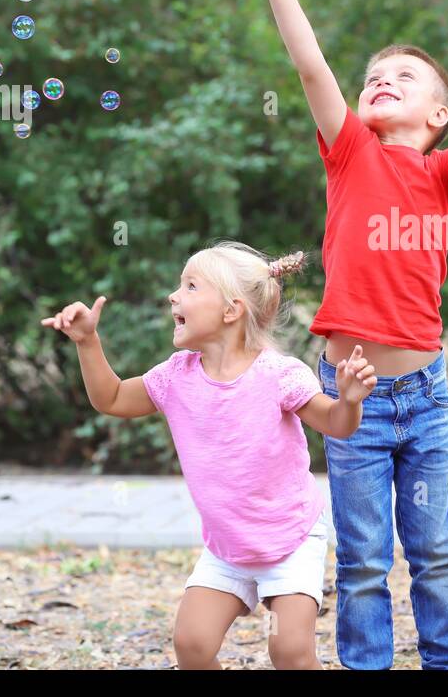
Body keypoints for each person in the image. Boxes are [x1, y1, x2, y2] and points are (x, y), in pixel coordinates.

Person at [253, 0, 448, 668]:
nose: (382, 80)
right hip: (349, 397)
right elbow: (312, 71)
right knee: (361, 561)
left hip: (424, 393)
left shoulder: (441, 176)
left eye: (406, 76)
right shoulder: (350, 151)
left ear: (438, 117)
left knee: (435, 549)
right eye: (375, 76)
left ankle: (446, 662)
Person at [41, 242, 377, 669]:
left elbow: (338, 425)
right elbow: (111, 398)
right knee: (192, 645)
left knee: (289, 651)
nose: (173, 296)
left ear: (231, 311)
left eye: (190, 286)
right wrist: (88, 341)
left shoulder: (279, 374)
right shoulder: (175, 377)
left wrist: (348, 400)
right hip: (227, 549)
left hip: (290, 540)